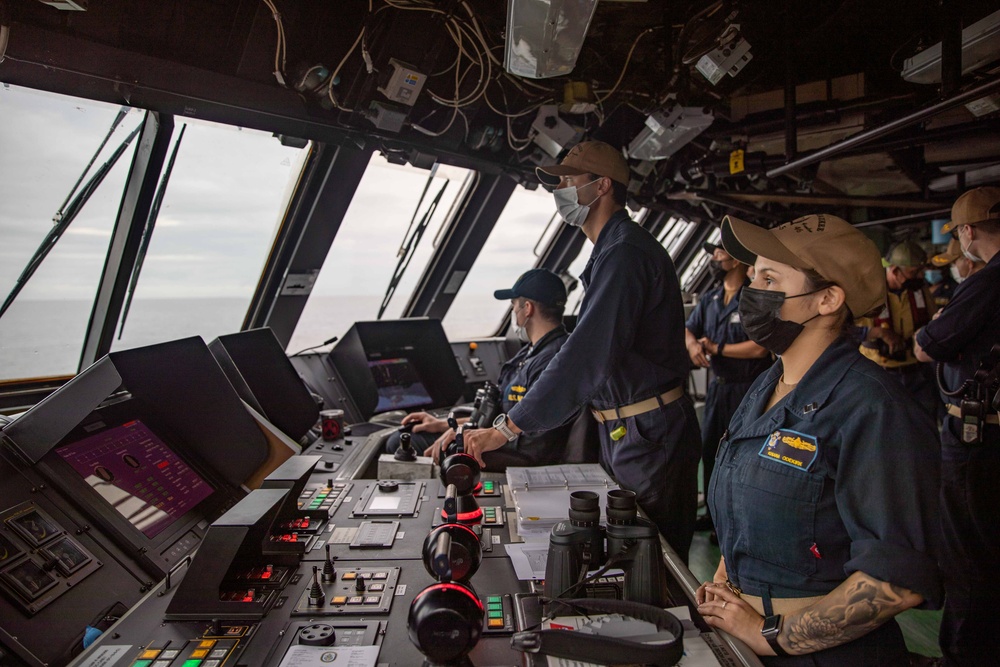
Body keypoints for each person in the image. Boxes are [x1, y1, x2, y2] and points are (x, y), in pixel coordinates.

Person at [695, 213, 942, 665]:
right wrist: (726, 582)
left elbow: (895, 581)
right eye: (754, 276)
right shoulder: (769, 384)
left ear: (827, 299)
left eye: (770, 279)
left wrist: (772, 635)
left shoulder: (874, 409)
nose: (752, 290)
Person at [463, 140, 701, 561]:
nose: (560, 191)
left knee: (651, 558)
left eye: (568, 181)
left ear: (602, 186)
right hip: (629, 429)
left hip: (649, 434)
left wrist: (507, 428)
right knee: (631, 554)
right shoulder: (613, 250)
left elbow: (586, 355)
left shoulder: (625, 253)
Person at [914, 186, 1000, 667]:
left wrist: (943, 319)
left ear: (967, 232)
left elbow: (926, 345)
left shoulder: (986, 282)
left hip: (977, 438)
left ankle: (965, 658)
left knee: (966, 556)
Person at [385, 269, 573, 471]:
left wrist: (467, 435)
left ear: (527, 308)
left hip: (521, 454)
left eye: (513, 305)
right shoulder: (530, 352)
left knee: (401, 444)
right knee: (406, 436)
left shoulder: (554, 360)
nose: (513, 311)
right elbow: (502, 415)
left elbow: (534, 441)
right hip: (506, 440)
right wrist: (445, 424)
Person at [685, 242, 770, 534]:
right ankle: (713, 516)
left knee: (743, 456)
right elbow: (689, 328)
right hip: (717, 390)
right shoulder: (710, 299)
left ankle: (739, 522)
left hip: (746, 391)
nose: (714, 259)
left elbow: (759, 348)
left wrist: (717, 348)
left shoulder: (753, 298)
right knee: (711, 450)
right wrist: (693, 344)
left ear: (736, 260)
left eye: (719, 253)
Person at [855, 239, 939, 418]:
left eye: (921, 271)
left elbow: (934, 321)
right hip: (880, 374)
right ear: (894, 271)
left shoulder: (920, 290)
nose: (920, 277)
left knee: (925, 421)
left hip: (918, 372)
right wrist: (879, 332)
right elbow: (846, 330)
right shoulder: (869, 294)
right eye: (913, 272)